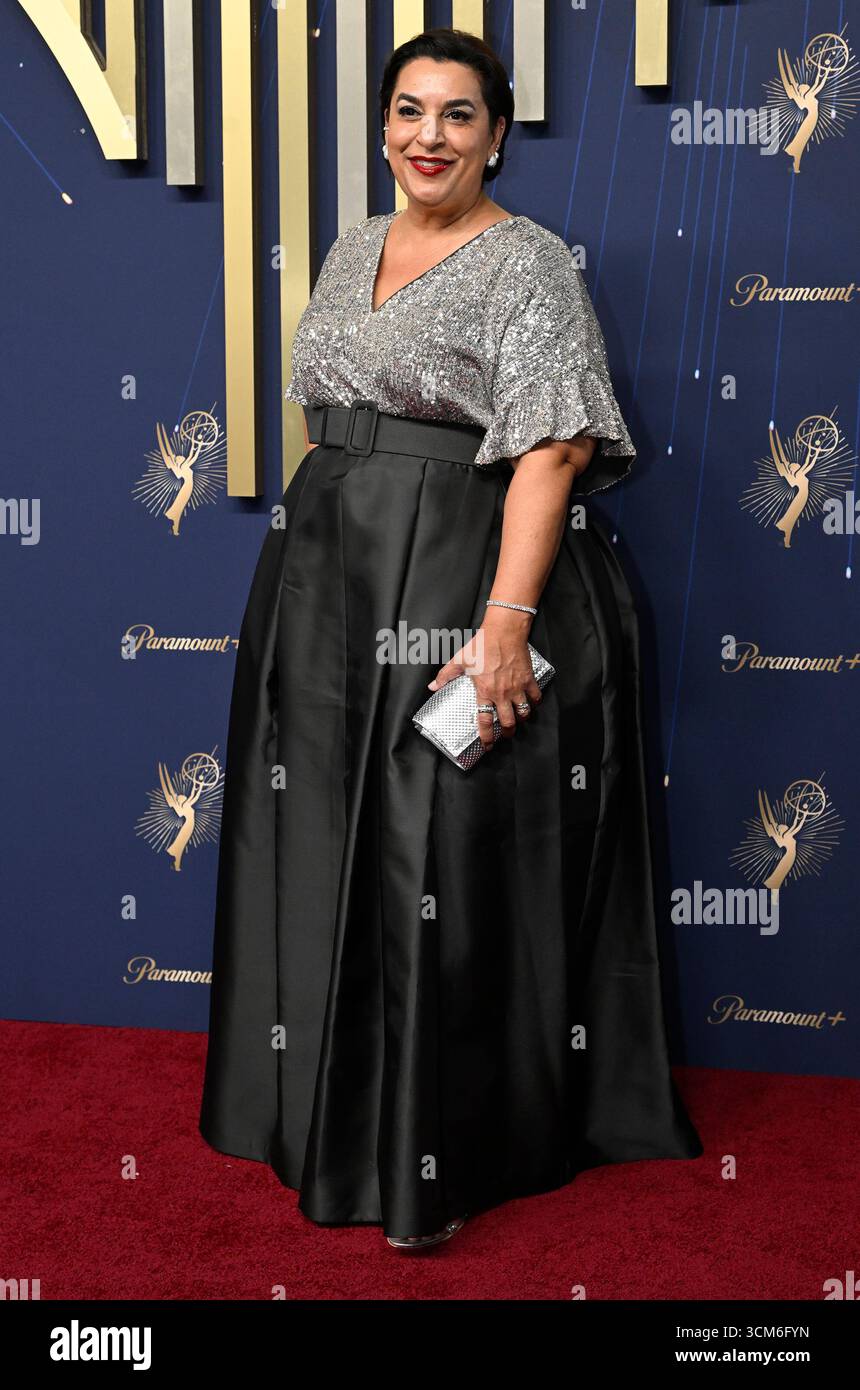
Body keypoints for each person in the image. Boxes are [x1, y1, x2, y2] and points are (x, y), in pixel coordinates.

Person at [199, 26, 702, 1252]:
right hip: (329, 576)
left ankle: (436, 1155)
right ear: (382, 124)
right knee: (323, 839)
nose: (429, 135)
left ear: (496, 134)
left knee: (430, 858)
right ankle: (321, 1115)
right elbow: (331, 417)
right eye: (409, 110)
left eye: (458, 115)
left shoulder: (525, 265)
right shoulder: (352, 243)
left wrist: (504, 629)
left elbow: (552, 449)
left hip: (455, 574)